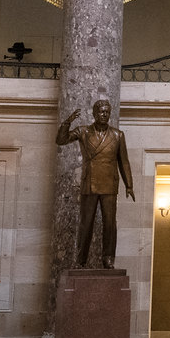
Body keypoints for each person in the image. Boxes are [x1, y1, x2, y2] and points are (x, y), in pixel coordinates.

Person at [58, 99, 135, 270]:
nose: (104, 115)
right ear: (94, 114)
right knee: (86, 223)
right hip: (90, 184)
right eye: (101, 112)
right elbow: (61, 140)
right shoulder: (84, 131)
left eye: (107, 112)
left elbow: (124, 162)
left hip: (109, 184)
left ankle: (108, 258)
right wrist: (67, 122)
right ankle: (80, 260)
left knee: (110, 224)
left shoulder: (117, 135)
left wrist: (129, 184)